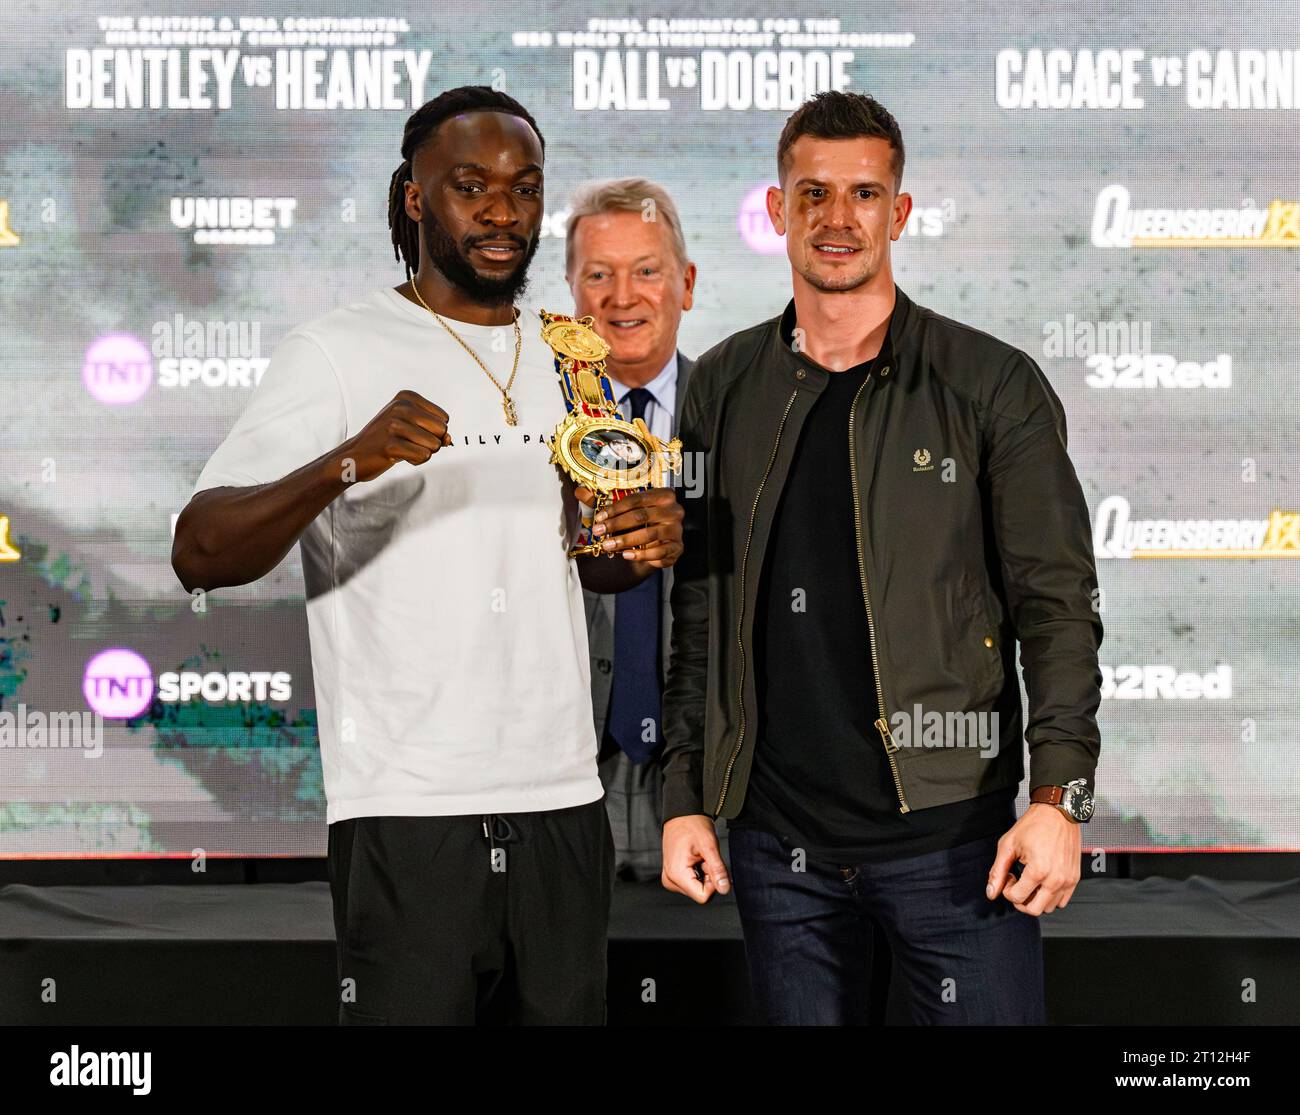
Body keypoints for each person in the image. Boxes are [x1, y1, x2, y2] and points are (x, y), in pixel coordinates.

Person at [171, 86, 683, 1025]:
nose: (502, 211)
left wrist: (644, 536)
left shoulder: (570, 355)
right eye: (470, 186)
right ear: (414, 198)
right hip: (407, 808)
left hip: (564, 801)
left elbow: (594, 559)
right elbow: (199, 549)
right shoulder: (335, 351)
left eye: (525, 189)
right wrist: (346, 460)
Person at [659, 90, 1103, 1025]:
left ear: (898, 213)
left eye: (864, 194)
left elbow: (1056, 606)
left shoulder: (991, 385)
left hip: (953, 848)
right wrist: (684, 797)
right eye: (812, 193)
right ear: (777, 210)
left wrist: (1061, 798)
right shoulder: (723, 390)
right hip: (779, 854)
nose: (837, 218)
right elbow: (698, 612)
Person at [566, 178, 697, 881]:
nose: (623, 297)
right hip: (562, 779)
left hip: (712, 790)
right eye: (598, 275)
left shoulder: (748, 421)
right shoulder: (528, 427)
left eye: (647, 271)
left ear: (687, 284)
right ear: (570, 292)